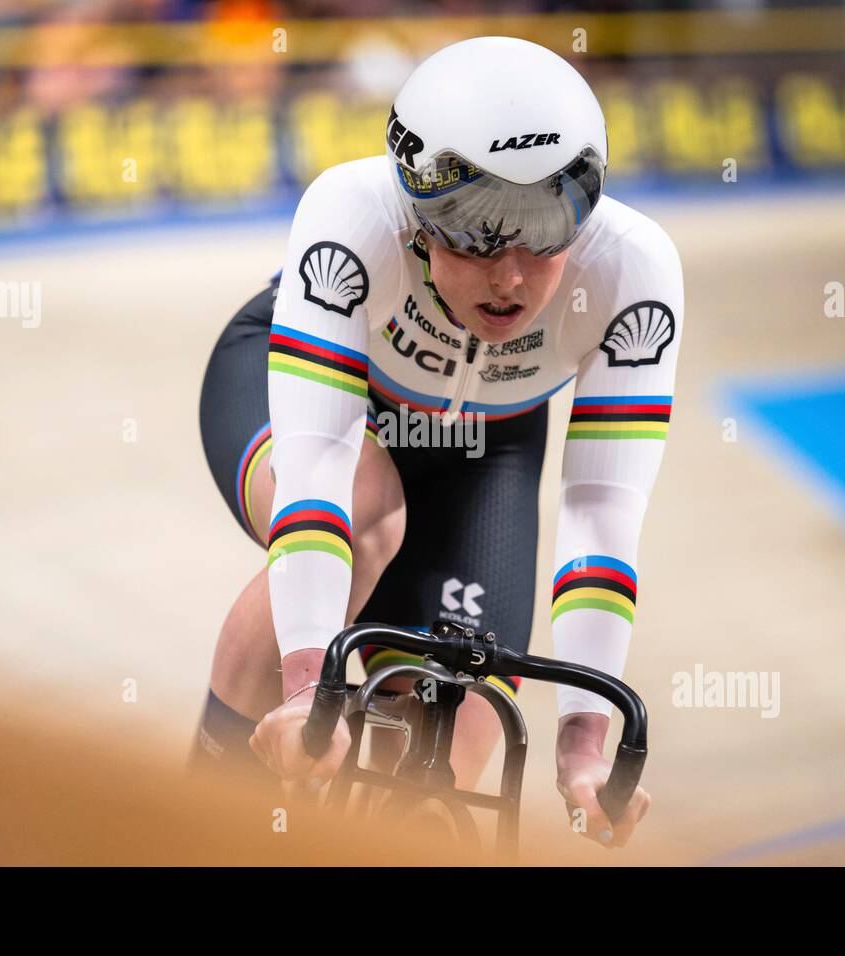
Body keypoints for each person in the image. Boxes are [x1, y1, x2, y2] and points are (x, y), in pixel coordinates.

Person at [196, 36, 681, 848]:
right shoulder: (353, 210)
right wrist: (305, 686)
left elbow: (601, 509)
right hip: (329, 404)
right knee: (365, 513)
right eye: (477, 230)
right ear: (416, 209)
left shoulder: (633, 266)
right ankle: (197, 812)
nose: (511, 276)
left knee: (449, 745)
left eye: (544, 227)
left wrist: (585, 743)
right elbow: (318, 462)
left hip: (487, 446)